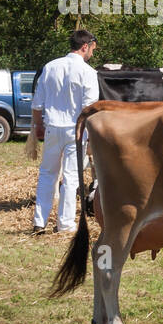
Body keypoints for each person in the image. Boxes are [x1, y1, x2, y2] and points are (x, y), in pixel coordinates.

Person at [32, 29, 99, 234]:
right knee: (71, 177)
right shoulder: (88, 72)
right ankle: (65, 224)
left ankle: (39, 222)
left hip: (52, 128)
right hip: (76, 130)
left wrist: (38, 127)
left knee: (47, 174)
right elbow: (90, 108)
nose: (93, 54)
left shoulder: (50, 66)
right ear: (85, 46)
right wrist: (90, 139)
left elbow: (37, 104)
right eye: (92, 50)